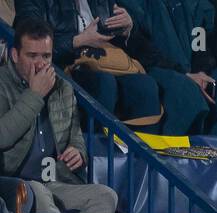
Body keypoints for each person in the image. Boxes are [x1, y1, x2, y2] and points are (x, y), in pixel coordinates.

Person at [0, 18, 119, 213]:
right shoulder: (1, 84)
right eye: (32, 55)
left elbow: (75, 137)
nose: (40, 63)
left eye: (46, 56)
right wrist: (35, 95)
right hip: (15, 182)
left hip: (55, 181)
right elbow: (2, 137)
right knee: (39, 192)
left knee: (105, 196)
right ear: (15, 55)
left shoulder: (62, 88)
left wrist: (78, 152)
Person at [14, 3, 166, 129]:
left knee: (145, 86)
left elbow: (140, 48)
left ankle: (142, 160)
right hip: (63, 66)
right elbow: (29, 43)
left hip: (103, 63)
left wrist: (128, 29)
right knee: (104, 84)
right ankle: (97, 155)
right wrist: (79, 40)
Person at [126, 0, 217, 135]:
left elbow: (201, 46)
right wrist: (184, 74)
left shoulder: (194, 4)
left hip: (190, 71)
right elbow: (141, 48)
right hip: (152, 68)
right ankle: (181, 151)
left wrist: (201, 72)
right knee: (185, 89)